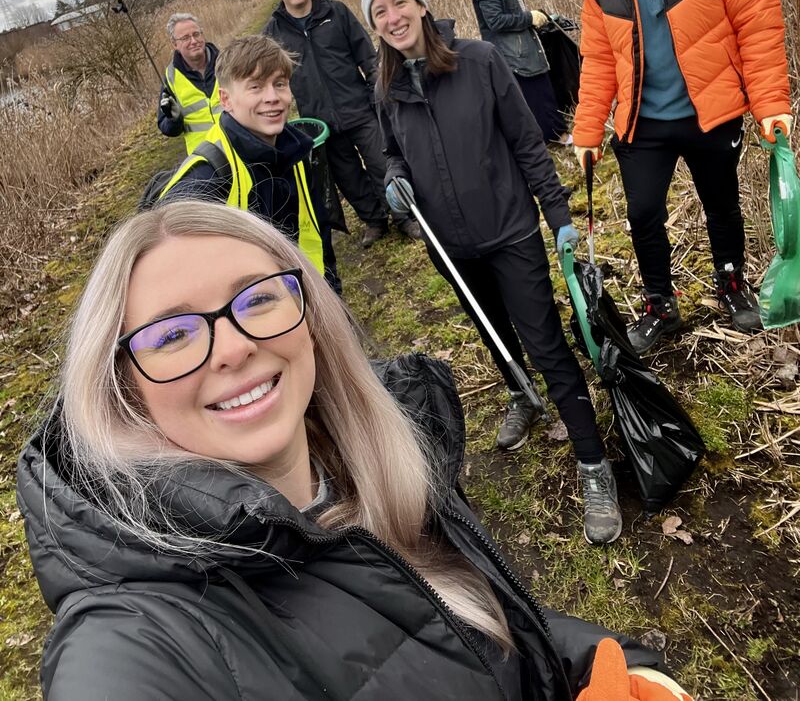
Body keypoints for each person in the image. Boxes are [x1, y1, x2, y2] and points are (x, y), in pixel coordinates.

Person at [17, 200, 688, 699]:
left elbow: (474, 632)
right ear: (120, 385)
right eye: (172, 336)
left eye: (257, 299)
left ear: (311, 316)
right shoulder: (132, 639)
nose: (234, 346)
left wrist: (617, 663)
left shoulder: (383, 462)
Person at [360, 0, 622, 545]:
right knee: (491, 331)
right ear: (374, 26)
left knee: (545, 341)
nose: (392, 18)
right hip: (449, 246)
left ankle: (592, 464)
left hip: (509, 232)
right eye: (379, 13)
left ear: (422, 6)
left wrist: (558, 219)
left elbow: (528, 144)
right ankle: (519, 395)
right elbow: (392, 154)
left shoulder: (478, 61)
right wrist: (395, 182)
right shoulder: (386, 88)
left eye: (399, 3)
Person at [573, 0, 792, 354]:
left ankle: (732, 283)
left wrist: (770, 105)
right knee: (643, 213)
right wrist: (586, 131)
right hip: (643, 122)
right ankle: (659, 304)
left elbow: (758, 28)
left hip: (710, 112)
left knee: (721, 204)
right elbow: (599, 64)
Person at [158, 34, 340, 293]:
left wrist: (330, 293)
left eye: (280, 84)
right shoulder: (206, 178)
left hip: (302, 299)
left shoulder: (296, 151)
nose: (272, 97)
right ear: (226, 100)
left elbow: (317, 232)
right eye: (255, 87)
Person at [264, 0, 421, 247]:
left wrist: (382, 93)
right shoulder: (273, 32)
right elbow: (273, 80)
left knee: (382, 163)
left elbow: (366, 55)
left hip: (359, 107)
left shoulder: (336, 13)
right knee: (347, 176)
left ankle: (404, 217)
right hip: (320, 121)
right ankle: (374, 221)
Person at [469, 0, 570, 144]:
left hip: (522, 46)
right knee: (535, 92)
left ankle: (553, 134)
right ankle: (557, 136)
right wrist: (528, 18)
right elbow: (494, 21)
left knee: (540, 89)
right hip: (512, 52)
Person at [157, 12, 221, 153]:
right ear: (175, 44)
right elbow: (166, 128)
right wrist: (174, 119)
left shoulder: (227, 62)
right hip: (204, 158)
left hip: (238, 144)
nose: (193, 41)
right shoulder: (171, 77)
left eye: (196, 34)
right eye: (185, 38)